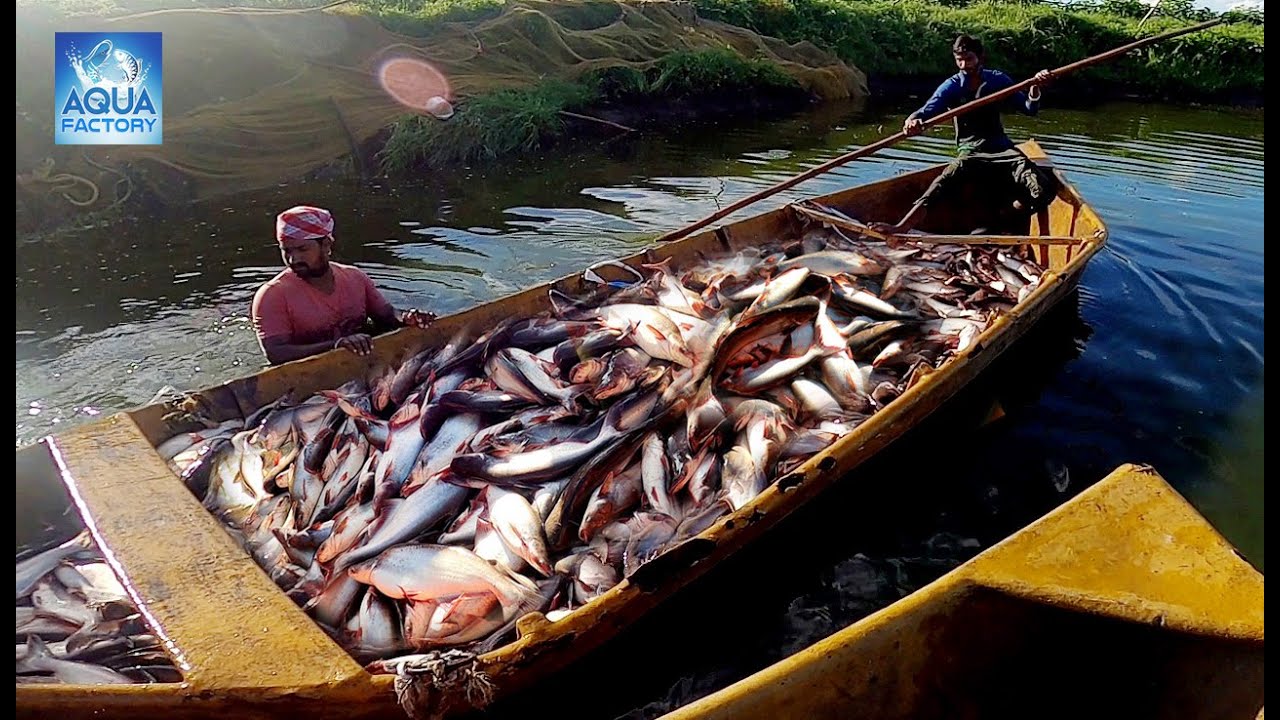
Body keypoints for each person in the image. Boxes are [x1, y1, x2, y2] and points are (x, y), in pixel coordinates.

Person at [871, 35, 1058, 237]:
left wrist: (1035, 87)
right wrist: (912, 120)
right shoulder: (952, 86)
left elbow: (1030, 109)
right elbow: (927, 110)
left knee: (1043, 189)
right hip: (970, 151)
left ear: (980, 57)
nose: (964, 65)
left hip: (1002, 150)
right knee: (941, 184)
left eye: (968, 59)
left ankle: (1007, 216)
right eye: (959, 60)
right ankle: (902, 227)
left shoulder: (998, 80)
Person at [252, 205, 435, 365]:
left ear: (326, 245)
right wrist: (338, 345)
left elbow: (386, 317)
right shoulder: (272, 295)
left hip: (365, 363)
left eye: (302, 249)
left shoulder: (355, 278)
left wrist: (408, 318)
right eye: (287, 251)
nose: (294, 259)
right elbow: (276, 353)